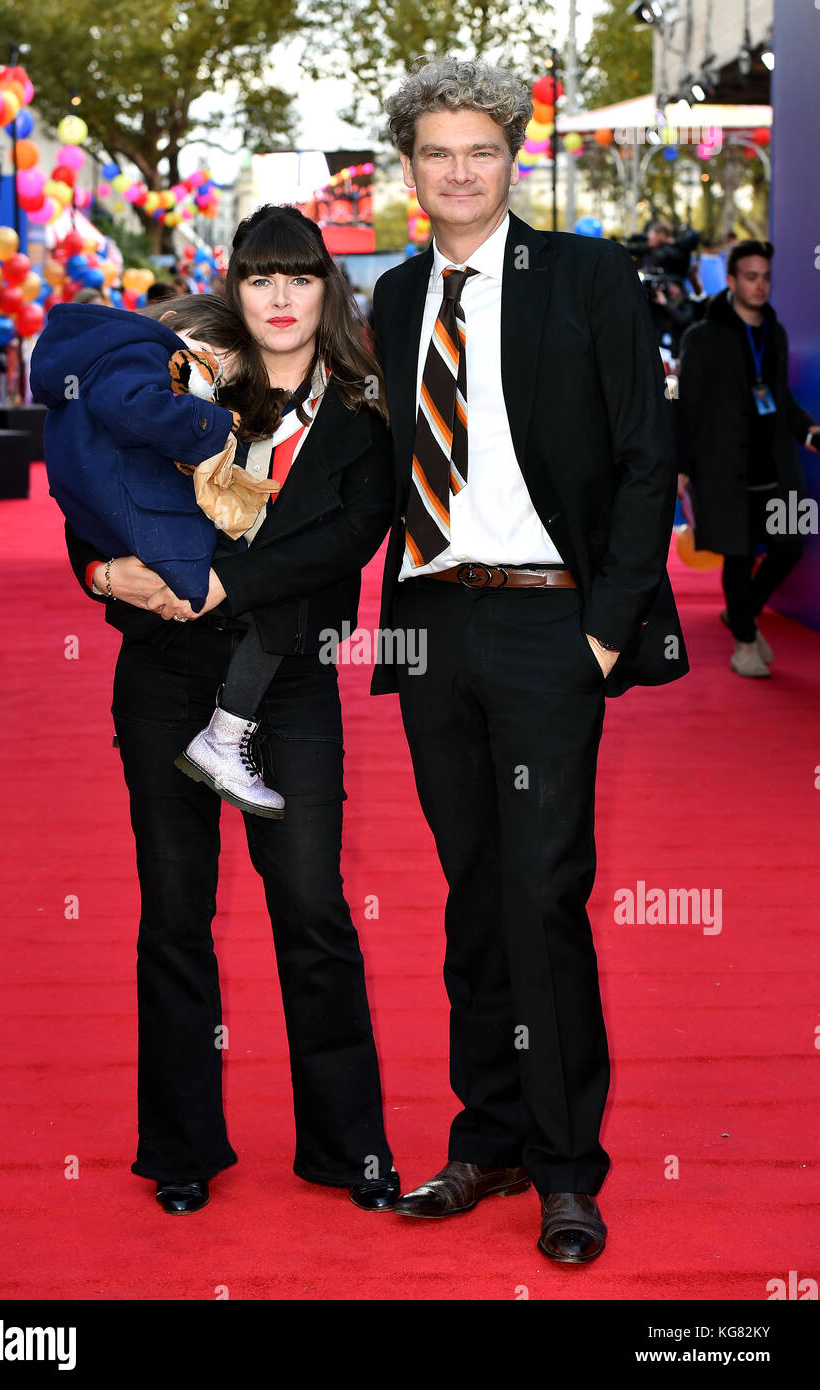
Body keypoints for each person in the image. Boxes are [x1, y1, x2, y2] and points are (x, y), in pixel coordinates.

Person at [370, 54, 688, 1262]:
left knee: (542, 892)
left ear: (512, 158)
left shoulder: (586, 275)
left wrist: (605, 626)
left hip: (552, 626)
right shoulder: (395, 298)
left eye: (481, 151)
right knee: (471, 897)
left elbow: (646, 454)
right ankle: (486, 1137)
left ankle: (566, 1166)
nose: (460, 171)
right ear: (409, 168)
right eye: (437, 153)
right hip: (434, 626)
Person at [59, 204, 400, 1216]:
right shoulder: (182, 377)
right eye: (261, 278)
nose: (281, 296)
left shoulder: (361, 406)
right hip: (161, 673)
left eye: (300, 277)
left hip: (287, 681)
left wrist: (220, 587)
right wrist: (101, 570)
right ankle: (179, 1147)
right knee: (174, 913)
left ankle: (347, 1147)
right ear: (236, 287)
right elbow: (91, 486)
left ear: (325, 289)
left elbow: (347, 538)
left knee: (311, 906)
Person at [31, 293, 290, 816]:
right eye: (210, 359)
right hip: (159, 605)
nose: (209, 380)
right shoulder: (141, 353)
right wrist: (217, 427)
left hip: (130, 539)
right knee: (266, 608)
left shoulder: (97, 362)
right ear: (173, 325)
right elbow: (132, 411)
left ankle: (211, 733)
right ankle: (218, 736)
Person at [677, 239, 820, 677]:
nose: (761, 286)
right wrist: (681, 466)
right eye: (751, 277)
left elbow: (778, 396)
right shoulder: (702, 336)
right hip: (723, 467)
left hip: (777, 466)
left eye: (766, 278)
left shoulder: (773, 332)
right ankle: (744, 644)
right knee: (738, 555)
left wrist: (807, 430)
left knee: (790, 543)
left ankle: (742, 613)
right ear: (733, 280)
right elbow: (689, 405)